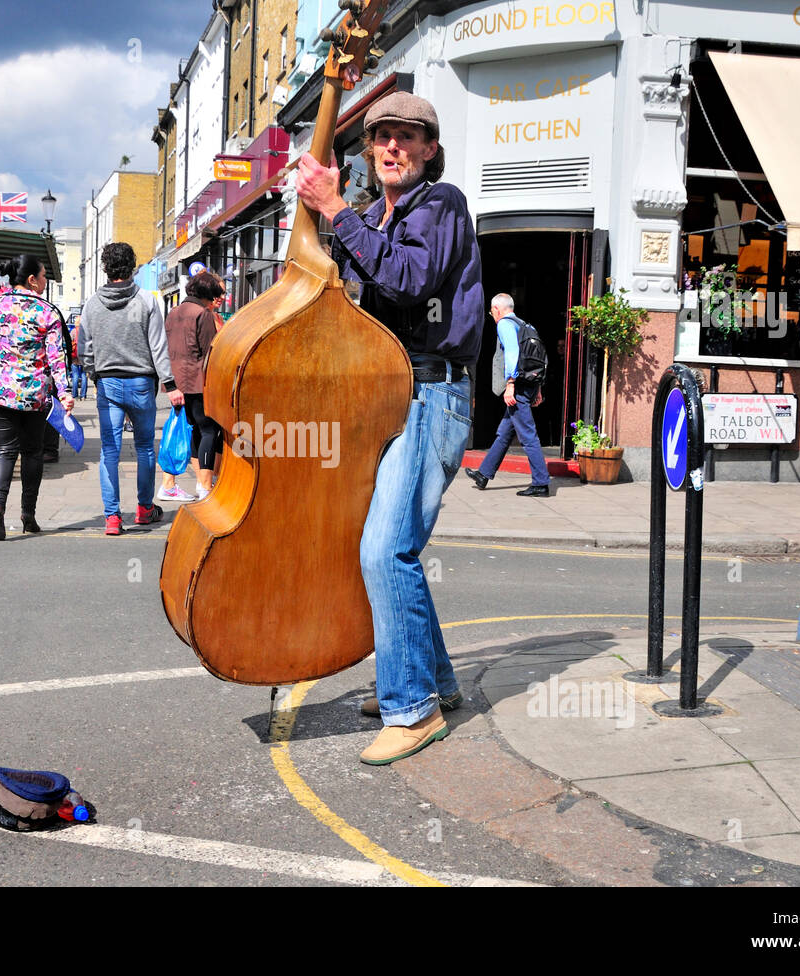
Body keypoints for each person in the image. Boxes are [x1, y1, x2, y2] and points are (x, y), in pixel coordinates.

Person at [296, 91, 484, 766]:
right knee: (392, 546)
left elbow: (408, 278)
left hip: (432, 392)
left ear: (430, 149)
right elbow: (348, 288)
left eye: (408, 137)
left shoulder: (442, 205)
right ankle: (433, 680)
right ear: (370, 151)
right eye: (382, 138)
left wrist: (336, 212)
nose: (393, 147)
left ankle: (413, 710)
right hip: (390, 395)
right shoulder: (374, 216)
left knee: (384, 551)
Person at [0, 254, 74, 541]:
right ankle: (28, 515)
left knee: (4, 451)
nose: (45, 280)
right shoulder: (47, 311)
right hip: (33, 394)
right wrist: (65, 393)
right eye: (43, 275)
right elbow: (57, 357)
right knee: (32, 452)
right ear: (31, 280)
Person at [78, 242, 183, 536]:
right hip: (141, 383)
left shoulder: (92, 304)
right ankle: (144, 509)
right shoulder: (147, 301)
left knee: (109, 451)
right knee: (145, 448)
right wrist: (170, 383)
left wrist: (93, 374)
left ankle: (112, 517)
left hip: (108, 383)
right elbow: (158, 346)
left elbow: (84, 348)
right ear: (132, 266)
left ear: (105, 268)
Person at [464, 294, 550, 497]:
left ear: (496, 308)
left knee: (528, 436)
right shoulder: (528, 326)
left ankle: (541, 483)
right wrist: (537, 389)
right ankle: (483, 474)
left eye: (491, 312)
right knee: (504, 433)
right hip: (528, 385)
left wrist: (510, 384)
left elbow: (512, 353)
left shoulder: (504, 324)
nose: (492, 315)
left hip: (518, 387)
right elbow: (538, 360)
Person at [160, 271, 225, 503]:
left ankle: (200, 483)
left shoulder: (174, 312)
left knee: (194, 429)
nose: (214, 301)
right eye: (214, 296)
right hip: (198, 381)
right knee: (207, 430)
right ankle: (205, 486)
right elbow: (210, 351)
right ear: (207, 294)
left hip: (177, 382)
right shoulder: (202, 314)